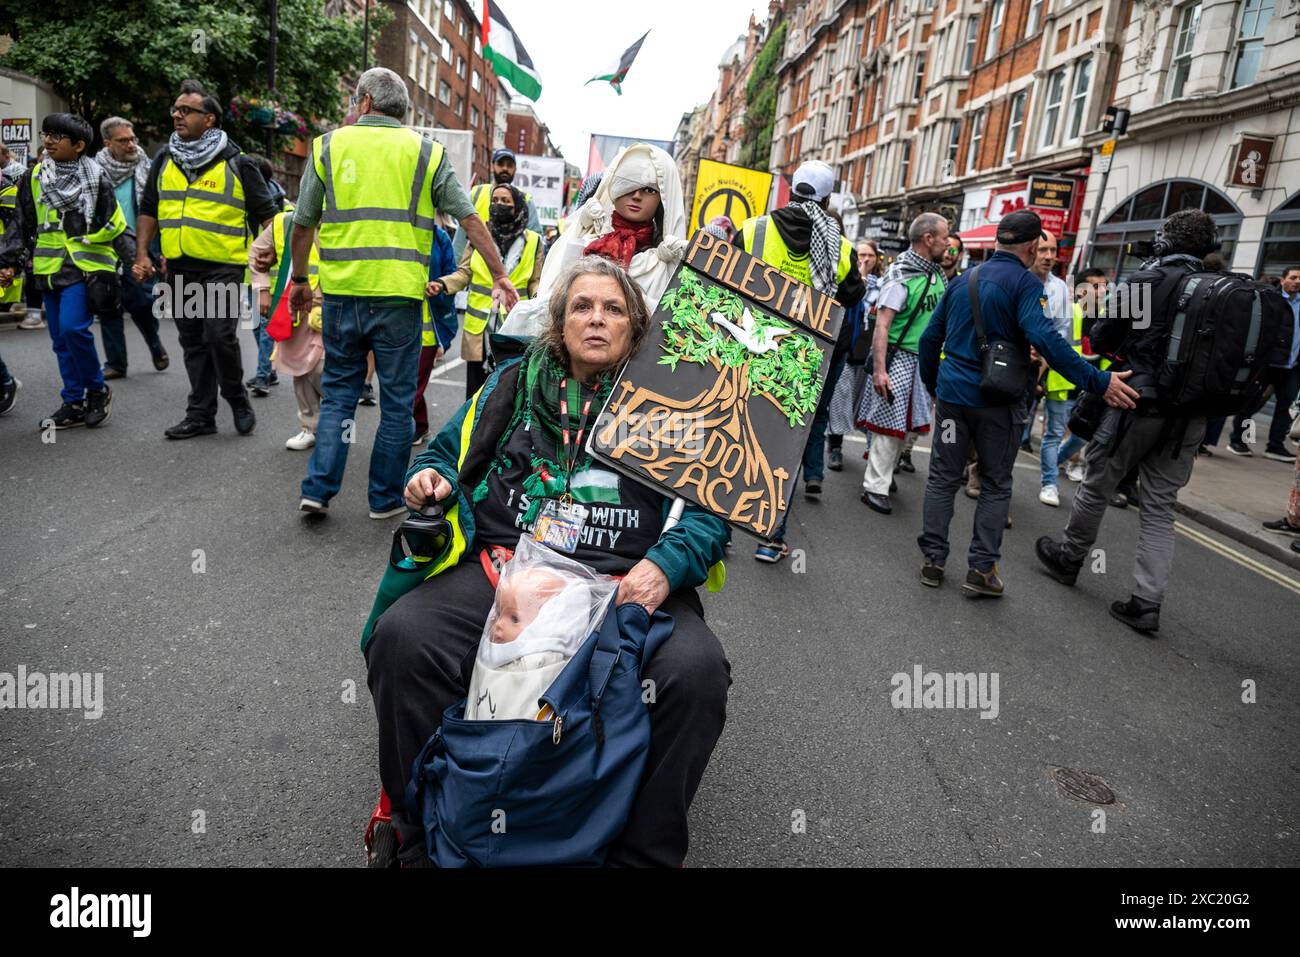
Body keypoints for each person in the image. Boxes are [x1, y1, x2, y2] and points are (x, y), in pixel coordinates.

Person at [366, 256, 730, 867]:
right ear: (558, 322)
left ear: (635, 329)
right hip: (507, 571)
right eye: (581, 307)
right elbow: (443, 453)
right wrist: (429, 477)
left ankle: (640, 853)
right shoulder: (511, 383)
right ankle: (415, 832)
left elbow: (711, 509)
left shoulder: (672, 403)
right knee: (404, 639)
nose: (596, 319)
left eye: (613, 309)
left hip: (621, 586)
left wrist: (665, 566)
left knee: (695, 674)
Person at [288, 67, 519, 520]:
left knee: (338, 395)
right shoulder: (427, 154)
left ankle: (318, 488)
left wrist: (299, 280)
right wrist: (499, 275)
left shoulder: (328, 146)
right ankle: (383, 499)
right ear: (402, 109)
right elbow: (470, 217)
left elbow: (302, 223)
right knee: (396, 403)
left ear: (366, 103)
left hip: (340, 295)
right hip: (399, 300)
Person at [916, 209, 1138, 596]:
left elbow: (928, 340)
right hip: (998, 404)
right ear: (1033, 246)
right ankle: (981, 571)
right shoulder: (1024, 285)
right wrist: (1098, 381)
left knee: (942, 477)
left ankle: (933, 560)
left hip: (953, 399)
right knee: (997, 483)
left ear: (999, 241)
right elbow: (1048, 341)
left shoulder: (963, 280)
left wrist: (936, 388)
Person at [1035, 209, 1222, 632]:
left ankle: (1070, 557)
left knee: (1099, 481)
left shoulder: (1146, 281)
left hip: (1136, 401)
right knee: (1159, 508)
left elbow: (1102, 337)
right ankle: (1146, 603)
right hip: (1190, 415)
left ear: (1164, 242)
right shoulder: (1220, 288)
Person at [133, 80, 278, 440]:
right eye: (175, 110)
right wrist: (142, 254)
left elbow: (269, 215)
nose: (177, 116)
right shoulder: (165, 158)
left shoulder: (238, 162)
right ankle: (200, 414)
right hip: (178, 267)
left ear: (209, 119)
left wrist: (268, 260)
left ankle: (237, 398)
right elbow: (149, 208)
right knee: (192, 340)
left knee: (219, 336)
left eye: (187, 110)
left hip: (223, 268)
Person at [738, 160, 864, 560]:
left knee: (736, 427)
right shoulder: (841, 246)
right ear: (827, 198)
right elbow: (853, 297)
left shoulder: (753, 229)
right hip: (807, 361)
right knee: (788, 444)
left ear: (791, 189)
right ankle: (770, 538)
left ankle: (714, 527)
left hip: (752, 349)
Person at [0, 113, 132, 430]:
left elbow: (115, 224)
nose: (48, 140)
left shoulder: (97, 177)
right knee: (60, 340)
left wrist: (136, 259)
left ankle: (97, 391)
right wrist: (8, 263)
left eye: (57, 136)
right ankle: (73, 401)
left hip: (83, 269)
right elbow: (21, 224)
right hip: (47, 268)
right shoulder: (32, 178)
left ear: (79, 146)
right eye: (47, 134)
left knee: (73, 330)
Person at [496, 144, 686, 341]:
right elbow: (556, 297)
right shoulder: (589, 242)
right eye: (628, 184)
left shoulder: (661, 260)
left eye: (649, 190)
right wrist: (579, 230)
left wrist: (673, 266)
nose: (636, 196)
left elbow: (668, 327)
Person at [858, 212, 950, 515]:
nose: (948, 243)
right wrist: (880, 370)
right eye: (944, 237)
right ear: (928, 239)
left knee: (907, 427)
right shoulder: (901, 276)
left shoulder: (937, 274)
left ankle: (884, 473)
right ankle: (875, 486)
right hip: (899, 359)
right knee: (888, 427)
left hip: (923, 361)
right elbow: (882, 326)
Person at [435, 183, 544, 398]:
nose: (498, 205)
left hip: (514, 327)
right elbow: (464, 273)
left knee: (508, 392)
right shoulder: (478, 238)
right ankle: (472, 431)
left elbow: (535, 281)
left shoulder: (534, 241)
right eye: (495, 201)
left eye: (505, 201)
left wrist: (539, 298)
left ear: (518, 207)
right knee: (474, 391)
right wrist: (443, 284)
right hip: (479, 329)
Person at [93, 116, 169, 379]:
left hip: (139, 249)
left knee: (140, 301)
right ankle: (116, 363)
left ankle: (154, 343)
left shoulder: (147, 168)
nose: (131, 145)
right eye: (123, 140)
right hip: (103, 248)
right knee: (108, 304)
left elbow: (160, 210)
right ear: (107, 143)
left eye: (133, 139)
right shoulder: (94, 171)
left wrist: (157, 251)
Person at [247, 205, 324, 451]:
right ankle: (309, 427)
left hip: (336, 305)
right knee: (299, 369)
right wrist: (263, 291)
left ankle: (340, 426)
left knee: (327, 369)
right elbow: (257, 253)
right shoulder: (284, 222)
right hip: (295, 304)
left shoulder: (346, 218)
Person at [1227, 265, 1299, 460]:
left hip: (1291, 366)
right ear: (1283, 280)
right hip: (1267, 363)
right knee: (1250, 403)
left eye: (1299, 279)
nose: (1297, 282)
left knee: (1286, 407)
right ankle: (1239, 441)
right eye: (1293, 277)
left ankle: (1275, 446)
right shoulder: (1271, 298)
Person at [827, 239, 883, 471]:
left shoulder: (881, 285)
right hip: (847, 349)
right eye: (861, 254)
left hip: (868, 353)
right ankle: (836, 447)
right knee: (840, 399)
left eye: (870, 255)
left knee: (865, 404)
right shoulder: (847, 281)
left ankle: (875, 452)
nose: (865, 259)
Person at [1032, 230, 1077, 507]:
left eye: (1053, 250)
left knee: (1053, 431)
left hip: (1046, 371)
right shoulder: (1018, 280)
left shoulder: (1059, 287)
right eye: (1043, 250)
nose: (1049, 256)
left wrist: (1042, 365)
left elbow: (1059, 332)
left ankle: (1049, 483)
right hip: (1009, 367)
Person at [412, 224, 458, 446]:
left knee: (413, 387)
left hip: (428, 330)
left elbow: (452, 273)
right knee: (406, 387)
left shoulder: (438, 236)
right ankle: (419, 427)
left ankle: (410, 430)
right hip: (395, 325)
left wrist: (440, 285)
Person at [245, 154, 287, 397]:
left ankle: (262, 376)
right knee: (255, 326)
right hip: (248, 274)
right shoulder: (252, 198)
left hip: (270, 275)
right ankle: (268, 370)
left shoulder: (276, 204)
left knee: (264, 327)